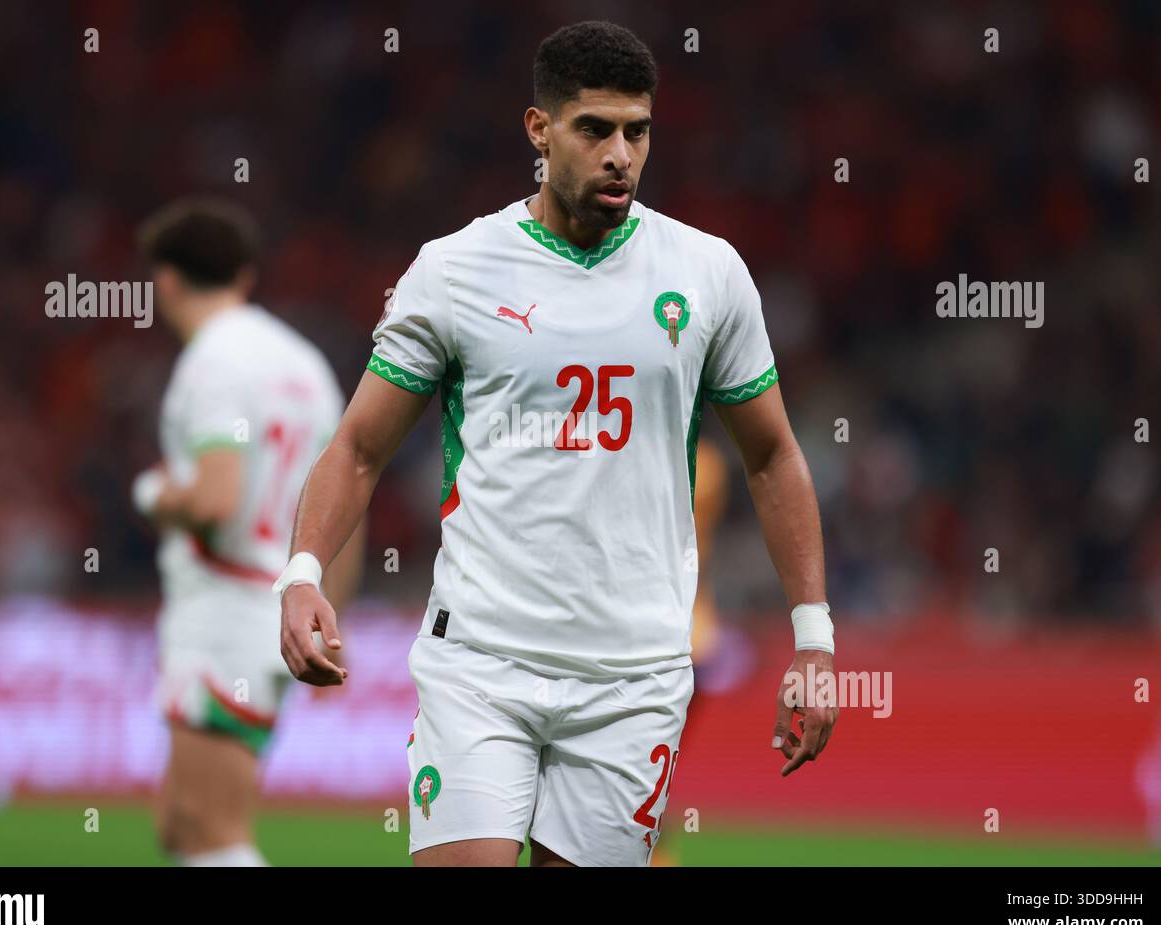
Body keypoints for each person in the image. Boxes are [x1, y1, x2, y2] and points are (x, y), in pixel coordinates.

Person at [276, 21, 836, 867]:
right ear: (539, 131)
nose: (621, 154)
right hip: (482, 660)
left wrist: (815, 638)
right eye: (595, 129)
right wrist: (303, 571)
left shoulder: (707, 272)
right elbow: (357, 446)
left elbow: (773, 456)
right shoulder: (456, 270)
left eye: (637, 132)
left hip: (635, 675)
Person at [133, 198, 361, 866]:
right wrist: (327, 618)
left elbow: (214, 497)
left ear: (166, 281)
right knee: (180, 823)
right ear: (245, 277)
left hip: (226, 609)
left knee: (210, 831)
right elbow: (348, 499)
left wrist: (151, 493)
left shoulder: (211, 365)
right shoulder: (305, 365)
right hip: (282, 604)